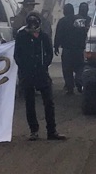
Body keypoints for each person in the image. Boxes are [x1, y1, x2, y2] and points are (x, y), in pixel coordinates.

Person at [13, 11, 65, 141]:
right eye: (30, 23)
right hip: (27, 74)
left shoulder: (43, 37)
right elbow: (16, 55)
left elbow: (49, 53)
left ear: (39, 23)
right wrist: (24, 68)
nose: (33, 26)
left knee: (48, 102)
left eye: (35, 22)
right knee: (30, 103)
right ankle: (34, 131)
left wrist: (44, 65)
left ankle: (51, 131)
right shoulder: (21, 36)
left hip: (42, 74)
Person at [54, 2, 82, 94]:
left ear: (65, 11)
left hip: (67, 50)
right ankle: (79, 83)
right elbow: (84, 33)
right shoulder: (79, 20)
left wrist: (56, 46)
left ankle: (70, 88)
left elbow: (58, 35)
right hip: (79, 49)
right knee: (79, 68)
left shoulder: (62, 21)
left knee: (67, 70)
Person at [72, 1, 92, 92]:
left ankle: (79, 83)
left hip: (84, 46)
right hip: (78, 46)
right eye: (83, 8)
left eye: (85, 8)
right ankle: (79, 83)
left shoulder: (90, 19)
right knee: (79, 66)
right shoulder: (77, 19)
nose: (84, 10)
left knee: (80, 66)